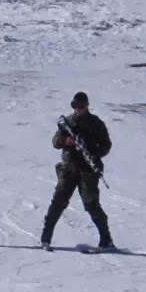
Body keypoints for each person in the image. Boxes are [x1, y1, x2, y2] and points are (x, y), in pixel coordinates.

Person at [41, 92, 114, 249]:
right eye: (75, 106)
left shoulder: (96, 124)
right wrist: (66, 141)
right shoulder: (67, 123)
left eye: (81, 106)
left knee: (91, 204)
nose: (78, 110)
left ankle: (106, 239)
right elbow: (55, 141)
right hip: (69, 168)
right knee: (58, 202)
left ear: (87, 105)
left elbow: (106, 145)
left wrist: (93, 153)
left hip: (87, 170)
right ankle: (46, 237)